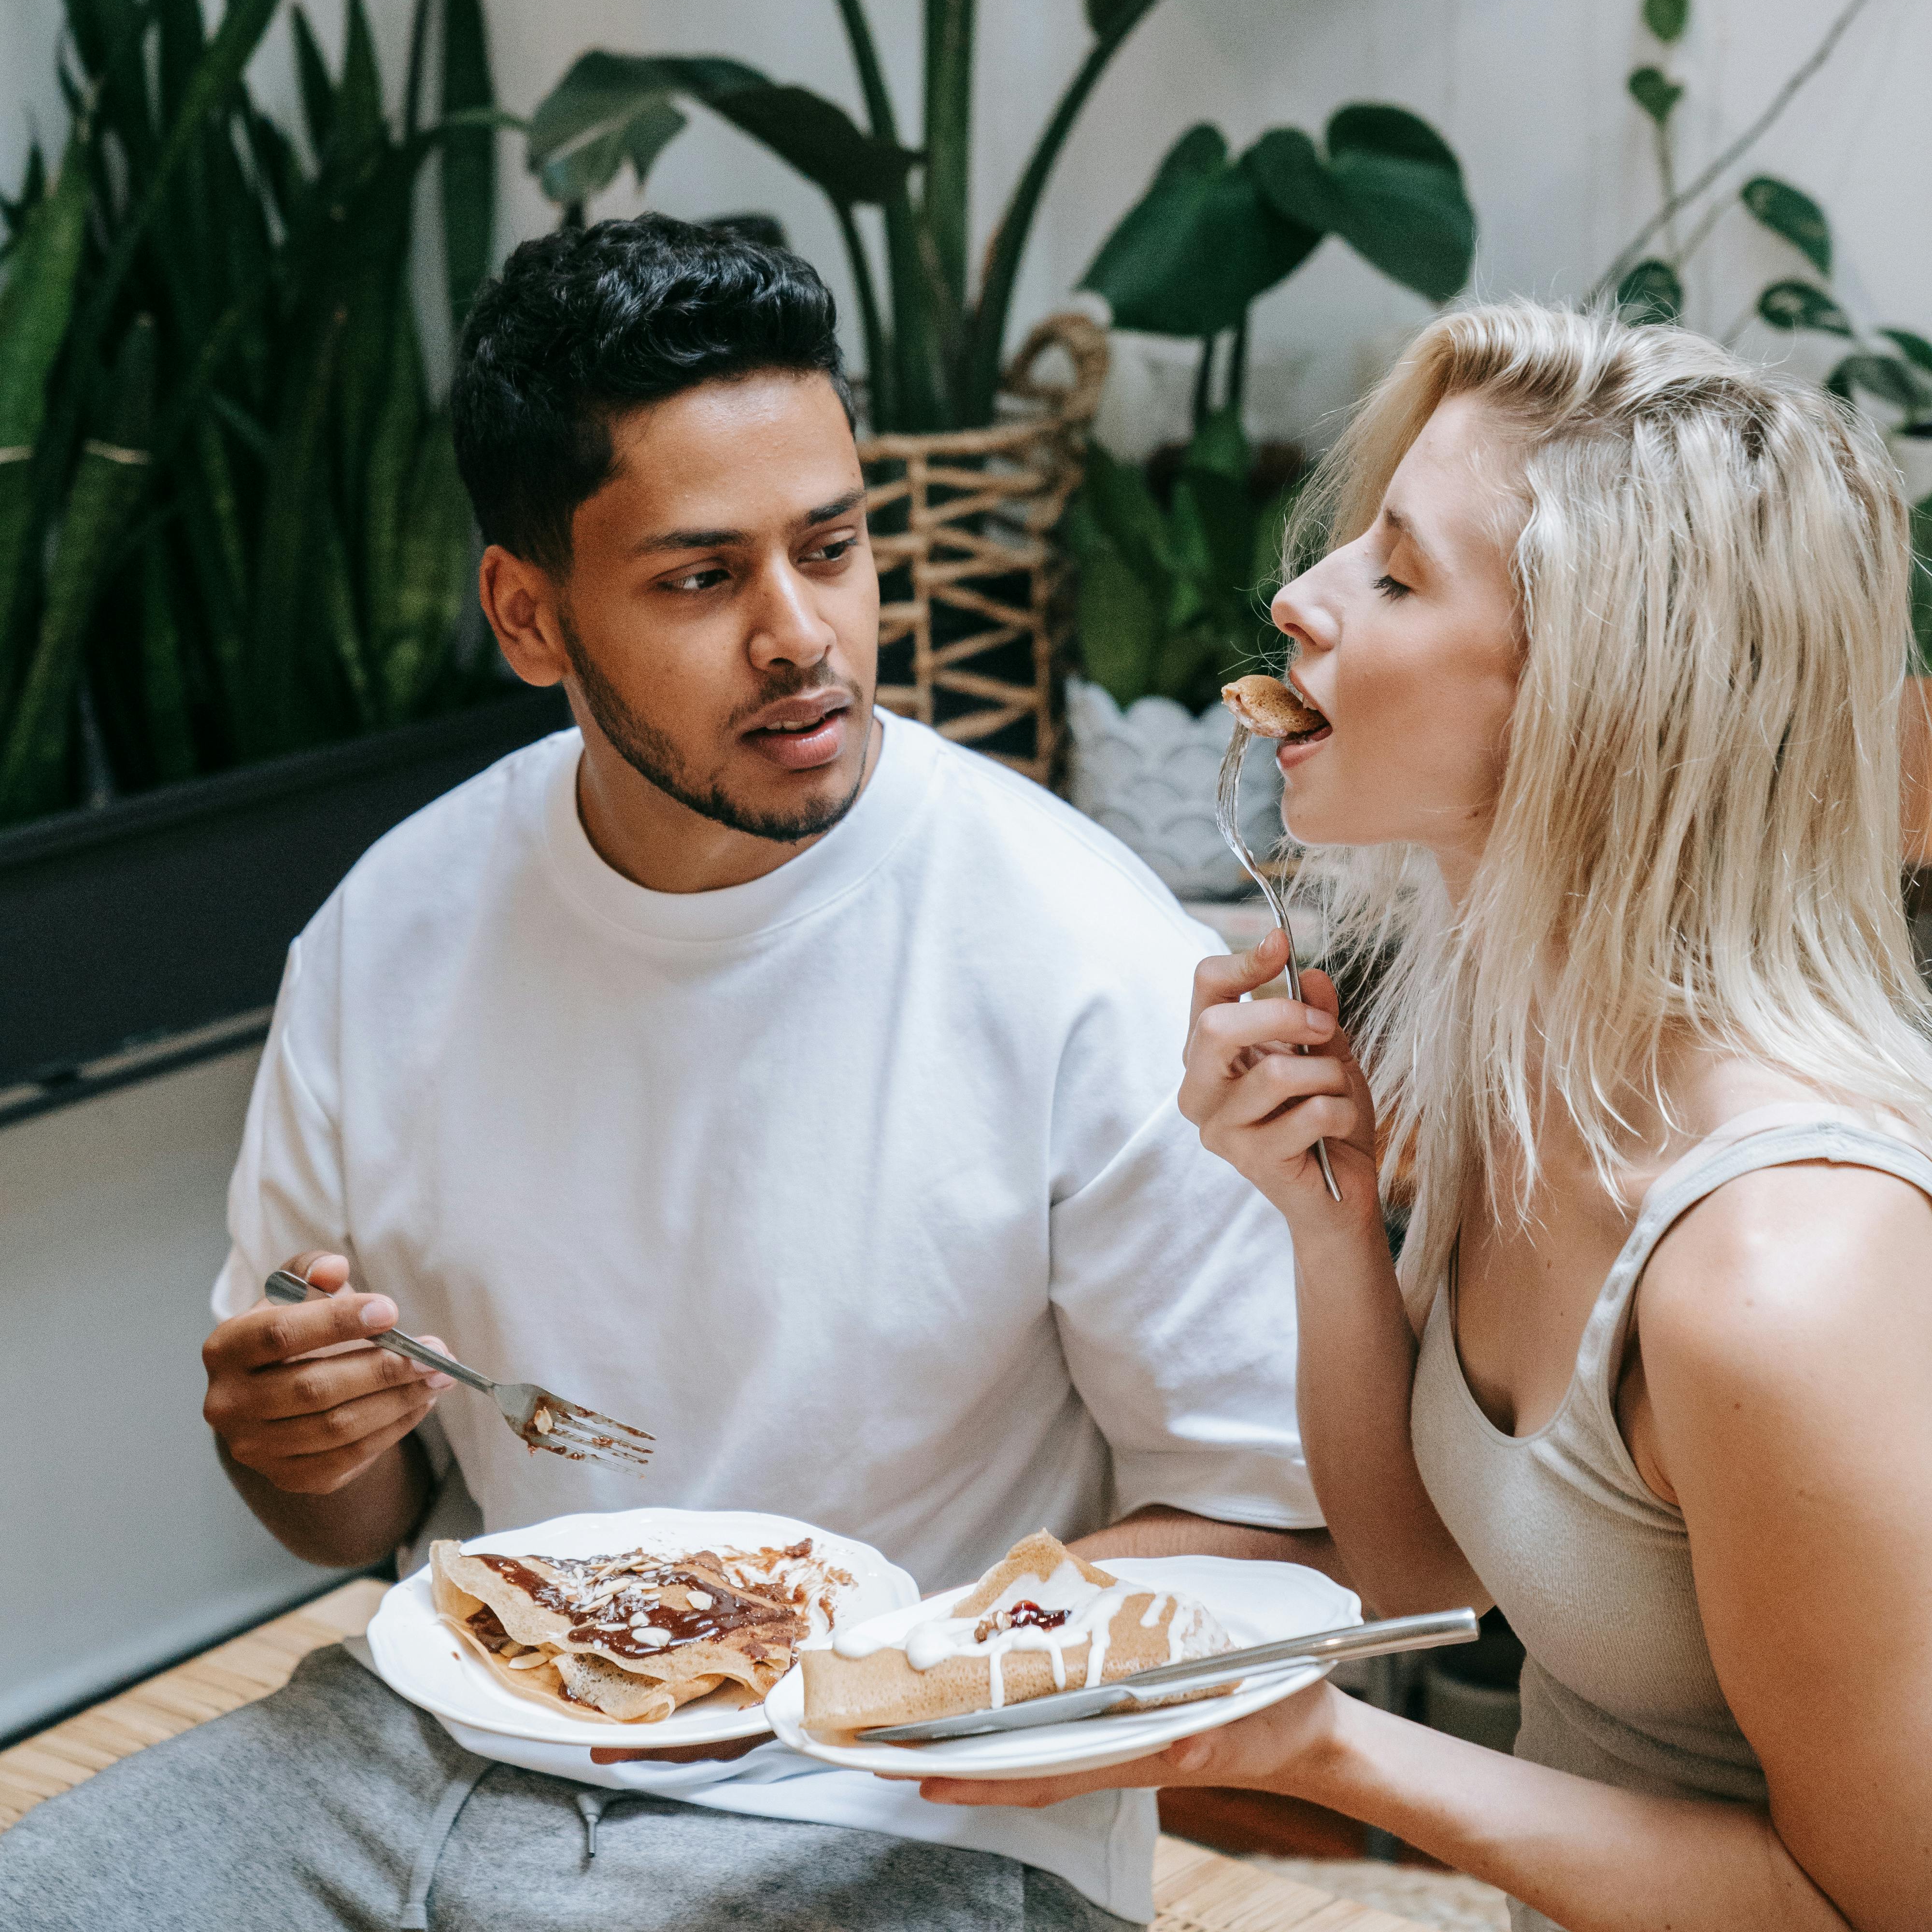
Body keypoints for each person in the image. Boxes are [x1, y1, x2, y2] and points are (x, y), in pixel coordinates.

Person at [3, 212, 1331, 1932]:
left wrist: (880, 1679)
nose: (803, 636)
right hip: (434, 1748)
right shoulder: (386, 932)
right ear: (526, 615)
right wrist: (294, 1435)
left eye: (834, 548)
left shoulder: (1081, 946)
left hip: (902, 1806)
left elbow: (1261, 1528)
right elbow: (355, 1521)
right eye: (703, 579)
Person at [920, 302, 1932, 1932]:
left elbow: (1872, 1909)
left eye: (1394, 575)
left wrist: (1330, 1754)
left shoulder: (1780, 1272)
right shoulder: (1527, 1061)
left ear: (1598, 699)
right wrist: (1327, 1219)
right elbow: (1422, 1575)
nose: (1293, 604)